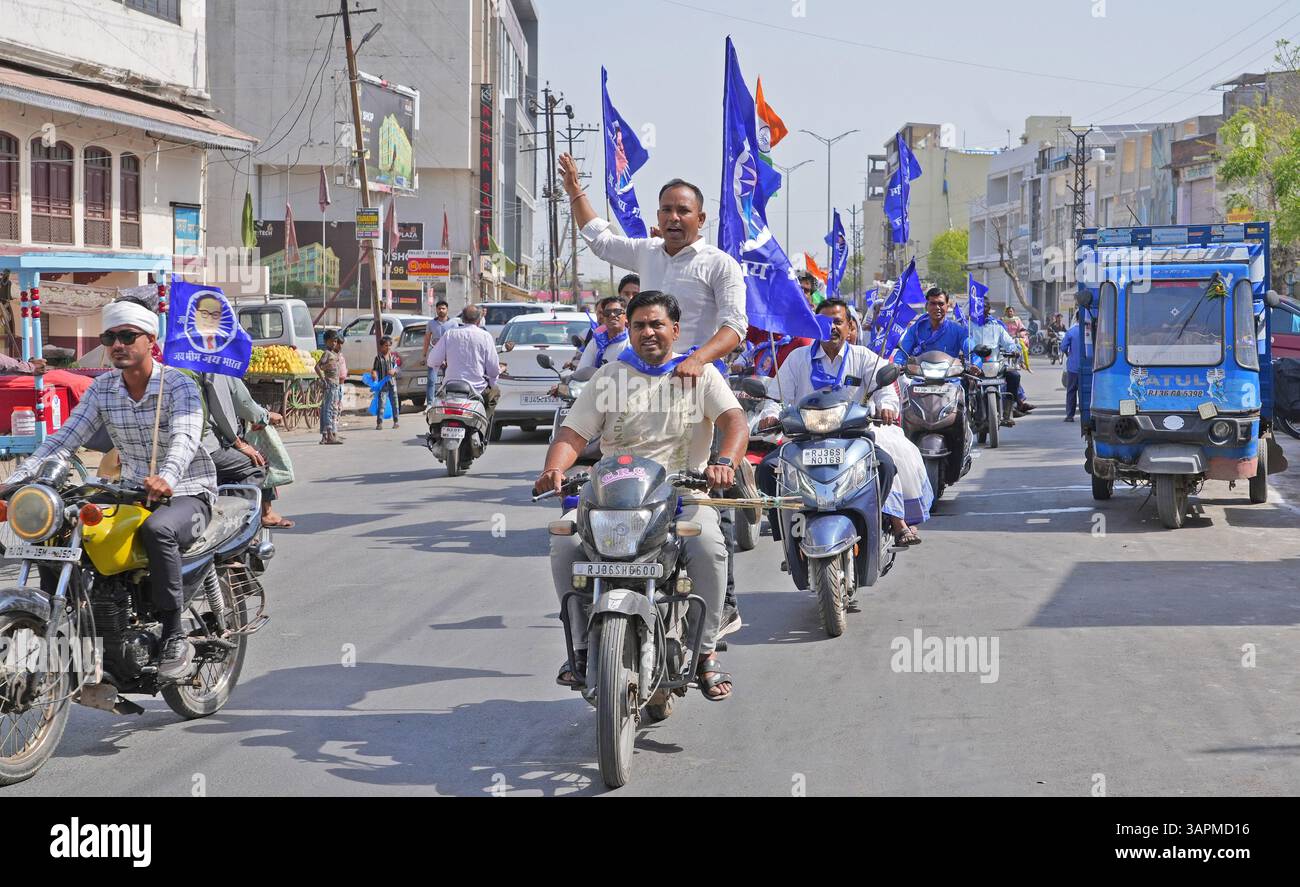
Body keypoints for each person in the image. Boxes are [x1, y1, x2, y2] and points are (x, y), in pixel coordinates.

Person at [560, 152, 749, 635]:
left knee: (708, 510)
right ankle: (582, 639)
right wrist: (575, 189)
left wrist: (698, 359)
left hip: (695, 387)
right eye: (666, 210)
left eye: (683, 211)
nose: (673, 218)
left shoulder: (720, 264)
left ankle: (717, 616)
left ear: (700, 219)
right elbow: (600, 238)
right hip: (636, 385)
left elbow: (735, 326)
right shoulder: (645, 253)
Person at [533, 291, 746, 700]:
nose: (648, 333)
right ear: (627, 331)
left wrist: (725, 463)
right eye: (639, 326)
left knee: (709, 547)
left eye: (656, 325)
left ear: (675, 330)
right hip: (614, 498)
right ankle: (579, 649)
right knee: (565, 545)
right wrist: (554, 469)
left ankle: (704, 655)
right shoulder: (610, 376)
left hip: (683, 494)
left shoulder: (698, 373)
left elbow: (734, 422)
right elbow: (573, 434)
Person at [2, 299, 215, 681]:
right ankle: (81, 627)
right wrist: (18, 479)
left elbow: (185, 436)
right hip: (131, 491)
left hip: (187, 489)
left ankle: (173, 633)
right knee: (61, 529)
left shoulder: (178, 384)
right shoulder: (103, 389)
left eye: (127, 336)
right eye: (110, 337)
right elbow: (64, 439)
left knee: (158, 530)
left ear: (150, 340)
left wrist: (166, 476)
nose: (117, 344)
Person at [755, 299, 929, 546]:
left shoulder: (864, 357)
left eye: (838, 322)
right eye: (825, 322)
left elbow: (886, 389)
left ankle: (880, 520)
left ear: (850, 327)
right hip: (805, 440)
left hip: (853, 438)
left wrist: (887, 408)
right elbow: (776, 397)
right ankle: (786, 537)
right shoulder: (797, 358)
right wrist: (770, 415)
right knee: (766, 470)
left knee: (886, 466)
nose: (832, 327)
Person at [197, 371, 292, 528]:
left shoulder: (171, 365)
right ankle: (240, 525)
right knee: (257, 462)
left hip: (185, 444)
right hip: (208, 444)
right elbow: (238, 404)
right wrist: (239, 441)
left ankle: (264, 513)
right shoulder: (215, 364)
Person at [428, 304, 501, 424]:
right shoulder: (485, 336)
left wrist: (441, 363)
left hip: (450, 387)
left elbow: (432, 361)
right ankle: (483, 423)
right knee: (495, 393)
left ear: (462, 319)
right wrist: (493, 382)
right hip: (477, 389)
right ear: (478, 320)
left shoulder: (450, 334)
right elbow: (493, 369)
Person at [968, 311, 1036, 424]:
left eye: (984, 308)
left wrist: (1014, 350)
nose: (981, 311)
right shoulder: (969, 326)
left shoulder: (997, 326)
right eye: (978, 307)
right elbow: (964, 343)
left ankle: (1008, 411)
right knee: (964, 381)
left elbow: (1008, 343)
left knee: (1014, 376)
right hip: (975, 366)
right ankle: (966, 414)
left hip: (995, 364)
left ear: (987, 310)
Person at [893, 287, 968, 364]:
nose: (937, 307)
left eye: (941, 304)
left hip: (950, 375)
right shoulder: (915, 329)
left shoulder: (959, 330)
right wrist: (897, 365)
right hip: (919, 375)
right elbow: (903, 353)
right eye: (933, 303)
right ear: (926, 306)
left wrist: (975, 365)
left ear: (947, 307)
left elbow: (971, 351)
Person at [421, 300, 461, 404]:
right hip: (434, 355)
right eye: (439, 308)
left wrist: (454, 356)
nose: (441, 310)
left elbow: (456, 341)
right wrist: (424, 355)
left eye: (443, 308)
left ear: (447, 310)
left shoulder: (453, 323)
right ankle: (430, 403)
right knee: (431, 380)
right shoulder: (431, 323)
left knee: (448, 380)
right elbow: (427, 339)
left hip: (448, 355)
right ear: (436, 310)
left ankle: (449, 401)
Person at [575, 294, 630, 370]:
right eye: (607, 312)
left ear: (626, 317)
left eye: (617, 311)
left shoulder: (632, 343)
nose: (612, 315)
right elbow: (582, 370)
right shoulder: (596, 342)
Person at [316, 330, 344, 444]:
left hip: (335, 385)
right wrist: (323, 379)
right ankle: (329, 434)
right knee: (328, 409)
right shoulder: (327, 353)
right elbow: (317, 367)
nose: (334, 343)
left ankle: (326, 435)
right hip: (330, 384)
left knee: (329, 410)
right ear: (326, 341)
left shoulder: (335, 354)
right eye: (331, 341)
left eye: (335, 341)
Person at [372, 336, 400, 430]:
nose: (388, 347)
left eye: (389, 345)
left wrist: (394, 371)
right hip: (382, 385)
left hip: (392, 384)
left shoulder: (393, 358)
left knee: (395, 403)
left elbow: (397, 369)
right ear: (381, 347)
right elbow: (374, 370)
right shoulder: (378, 358)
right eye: (385, 345)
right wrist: (374, 375)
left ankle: (396, 421)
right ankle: (379, 423)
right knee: (381, 404)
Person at [1061, 318, 1084, 423]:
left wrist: (1069, 354)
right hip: (1089, 367)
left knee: (1071, 391)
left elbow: (1063, 347)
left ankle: (1070, 415)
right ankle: (1086, 414)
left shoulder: (1071, 331)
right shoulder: (1091, 330)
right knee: (1086, 391)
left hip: (1073, 367)